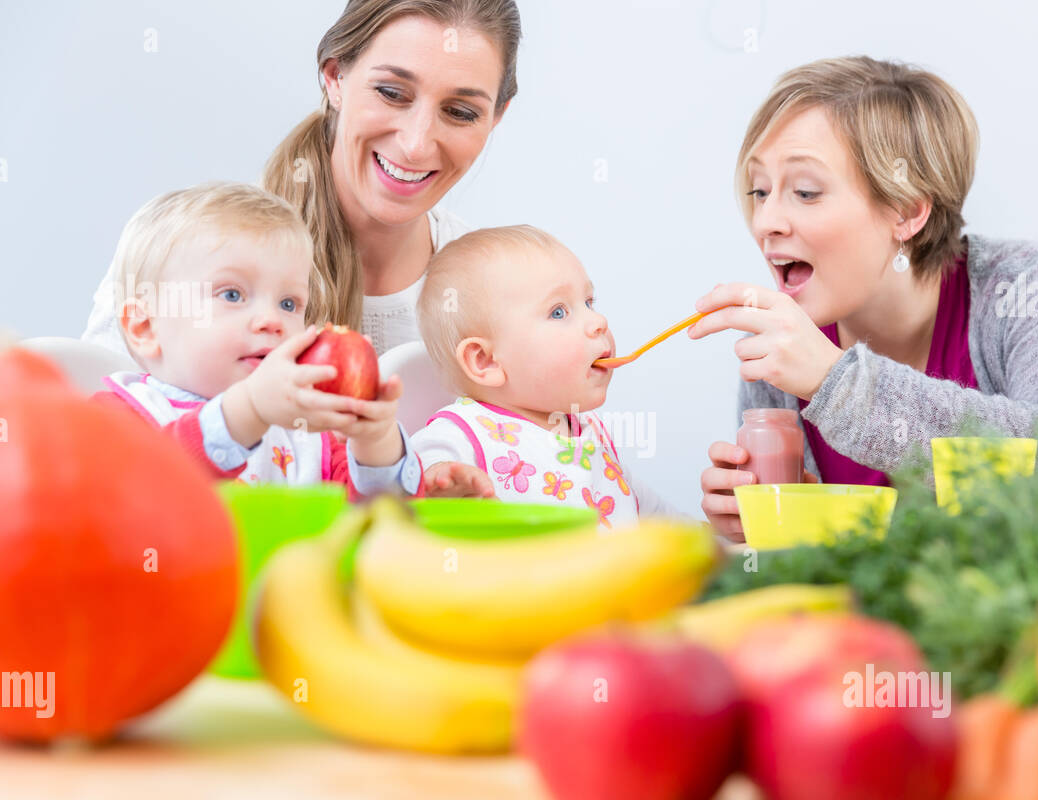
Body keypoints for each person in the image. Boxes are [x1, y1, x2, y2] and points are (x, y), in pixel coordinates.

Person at [690, 56, 1038, 541]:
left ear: (908, 210)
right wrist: (785, 519)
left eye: (805, 192)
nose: (766, 220)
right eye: (759, 190)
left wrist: (839, 386)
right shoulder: (780, 351)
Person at [83, 0, 522, 357]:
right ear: (335, 77)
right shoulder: (183, 252)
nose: (416, 144)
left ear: (496, 117)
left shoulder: (501, 295)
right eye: (391, 93)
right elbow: (91, 441)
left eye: (460, 113)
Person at [93, 182, 421, 500]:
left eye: (289, 303)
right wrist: (248, 409)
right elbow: (134, 493)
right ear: (146, 328)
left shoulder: (307, 432)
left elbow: (383, 516)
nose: (272, 320)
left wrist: (375, 443)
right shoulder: (115, 418)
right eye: (233, 294)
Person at [410, 225, 676, 524]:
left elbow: (651, 512)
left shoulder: (590, 429)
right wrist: (440, 482)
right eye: (559, 312)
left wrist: (712, 541)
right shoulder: (462, 433)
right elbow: (418, 475)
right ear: (485, 361)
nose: (598, 321)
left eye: (589, 303)